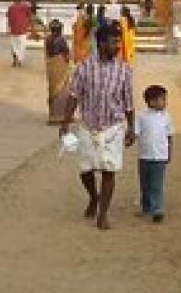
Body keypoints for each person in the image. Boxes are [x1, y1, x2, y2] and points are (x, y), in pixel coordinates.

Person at [59, 24, 135, 231]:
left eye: (118, 42)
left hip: (113, 126)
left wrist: (131, 127)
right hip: (88, 125)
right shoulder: (84, 67)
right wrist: (65, 123)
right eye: (113, 42)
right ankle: (94, 196)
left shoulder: (124, 70)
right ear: (101, 43)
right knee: (86, 169)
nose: (118, 46)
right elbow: (74, 95)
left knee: (109, 171)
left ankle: (103, 213)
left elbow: (128, 102)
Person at [136, 84, 174, 223]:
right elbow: (136, 132)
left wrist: (169, 152)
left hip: (160, 156)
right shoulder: (141, 116)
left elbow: (169, 136)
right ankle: (146, 206)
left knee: (156, 184)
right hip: (144, 155)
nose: (164, 102)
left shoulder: (166, 117)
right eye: (161, 99)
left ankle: (157, 209)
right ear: (151, 101)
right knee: (145, 183)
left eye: (165, 99)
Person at [45, 18, 71, 125]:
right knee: (62, 91)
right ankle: (60, 116)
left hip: (51, 66)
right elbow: (66, 52)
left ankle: (53, 116)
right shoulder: (61, 39)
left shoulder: (48, 39)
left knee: (53, 90)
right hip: (60, 66)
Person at [6, 0, 32, 67]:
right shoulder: (25, 6)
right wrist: (30, 27)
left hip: (13, 29)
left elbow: (8, 18)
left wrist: (8, 28)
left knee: (14, 46)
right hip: (22, 29)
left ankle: (15, 60)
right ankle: (19, 60)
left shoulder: (11, 7)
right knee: (22, 46)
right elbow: (29, 17)